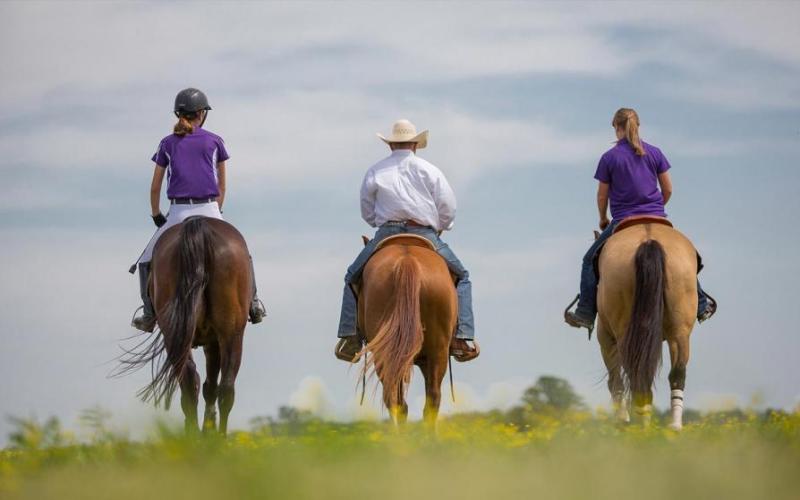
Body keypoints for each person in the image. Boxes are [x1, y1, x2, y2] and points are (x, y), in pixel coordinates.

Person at [335, 119, 478, 363]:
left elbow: (367, 212)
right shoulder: (430, 170)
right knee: (462, 276)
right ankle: (462, 336)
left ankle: (350, 337)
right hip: (424, 233)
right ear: (415, 144)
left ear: (391, 145)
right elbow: (447, 208)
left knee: (352, 276)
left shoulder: (376, 170)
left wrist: (379, 221)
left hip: (387, 233)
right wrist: (442, 226)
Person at [564, 108, 716, 331]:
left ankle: (586, 312)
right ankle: (701, 304)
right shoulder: (655, 152)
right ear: (638, 126)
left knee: (589, 261)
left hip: (624, 218)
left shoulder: (609, 157)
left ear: (617, 128)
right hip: (656, 215)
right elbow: (668, 188)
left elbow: (602, 194)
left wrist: (603, 218)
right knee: (684, 257)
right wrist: (656, 207)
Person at [130, 88, 266, 332]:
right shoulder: (215, 141)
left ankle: (149, 314)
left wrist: (156, 214)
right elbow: (222, 185)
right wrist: (217, 210)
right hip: (210, 208)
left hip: (178, 212)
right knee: (243, 253)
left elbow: (154, 188)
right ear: (202, 114)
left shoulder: (167, 144)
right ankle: (254, 304)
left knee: (146, 260)